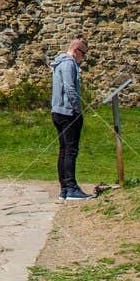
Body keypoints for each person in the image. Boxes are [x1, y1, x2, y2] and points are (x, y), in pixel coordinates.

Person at [50, 38, 92, 201]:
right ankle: (71, 187)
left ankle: (65, 189)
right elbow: (69, 87)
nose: (83, 58)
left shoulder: (59, 63)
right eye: (83, 54)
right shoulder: (68, 63)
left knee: (64, 150)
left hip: (58, 111)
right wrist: (77, 109)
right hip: (67, 112)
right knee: (70, 150)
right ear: (76, 50)